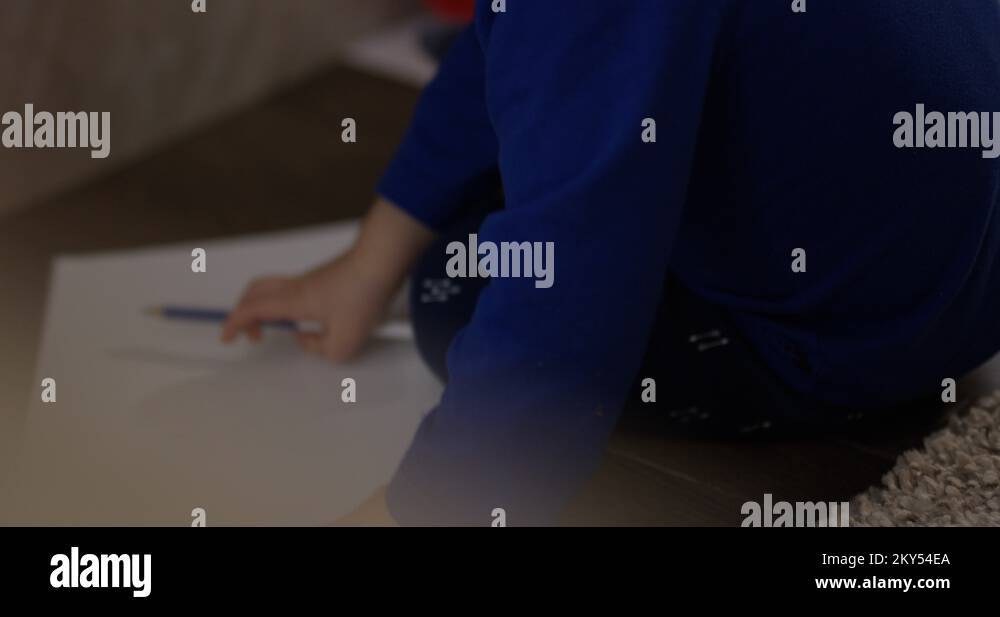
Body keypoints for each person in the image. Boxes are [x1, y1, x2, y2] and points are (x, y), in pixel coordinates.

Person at [221, 0, 1000, 525]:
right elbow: (508, 39)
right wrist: (365, 263)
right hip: (972, 262)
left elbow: (564, 309)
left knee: (454, 284)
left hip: (865, 332)